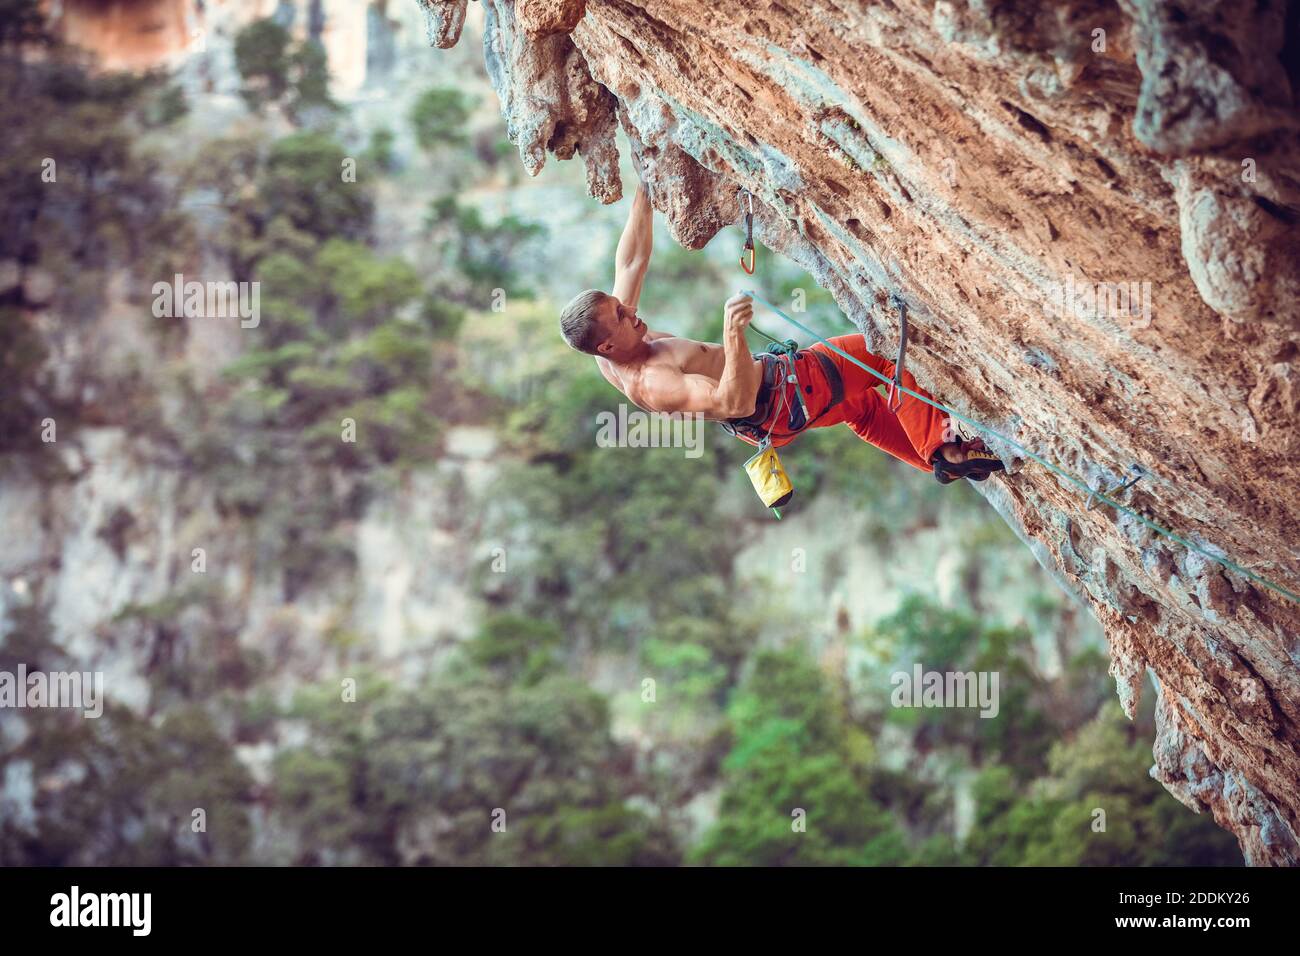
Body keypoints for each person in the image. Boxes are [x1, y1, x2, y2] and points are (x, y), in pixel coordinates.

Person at [558, 181, 1003, 482]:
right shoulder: (653, 382)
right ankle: (942, 449)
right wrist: (733, 335)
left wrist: (645, 186)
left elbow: (631, 261)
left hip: (780, 417)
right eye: (620, 314)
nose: (631, 309)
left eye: (620, 305)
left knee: (861, 408)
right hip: (781, 394)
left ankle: (936, 463)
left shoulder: (608, 347)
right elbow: (735, 401)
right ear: (609, 343)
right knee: (883, 354)